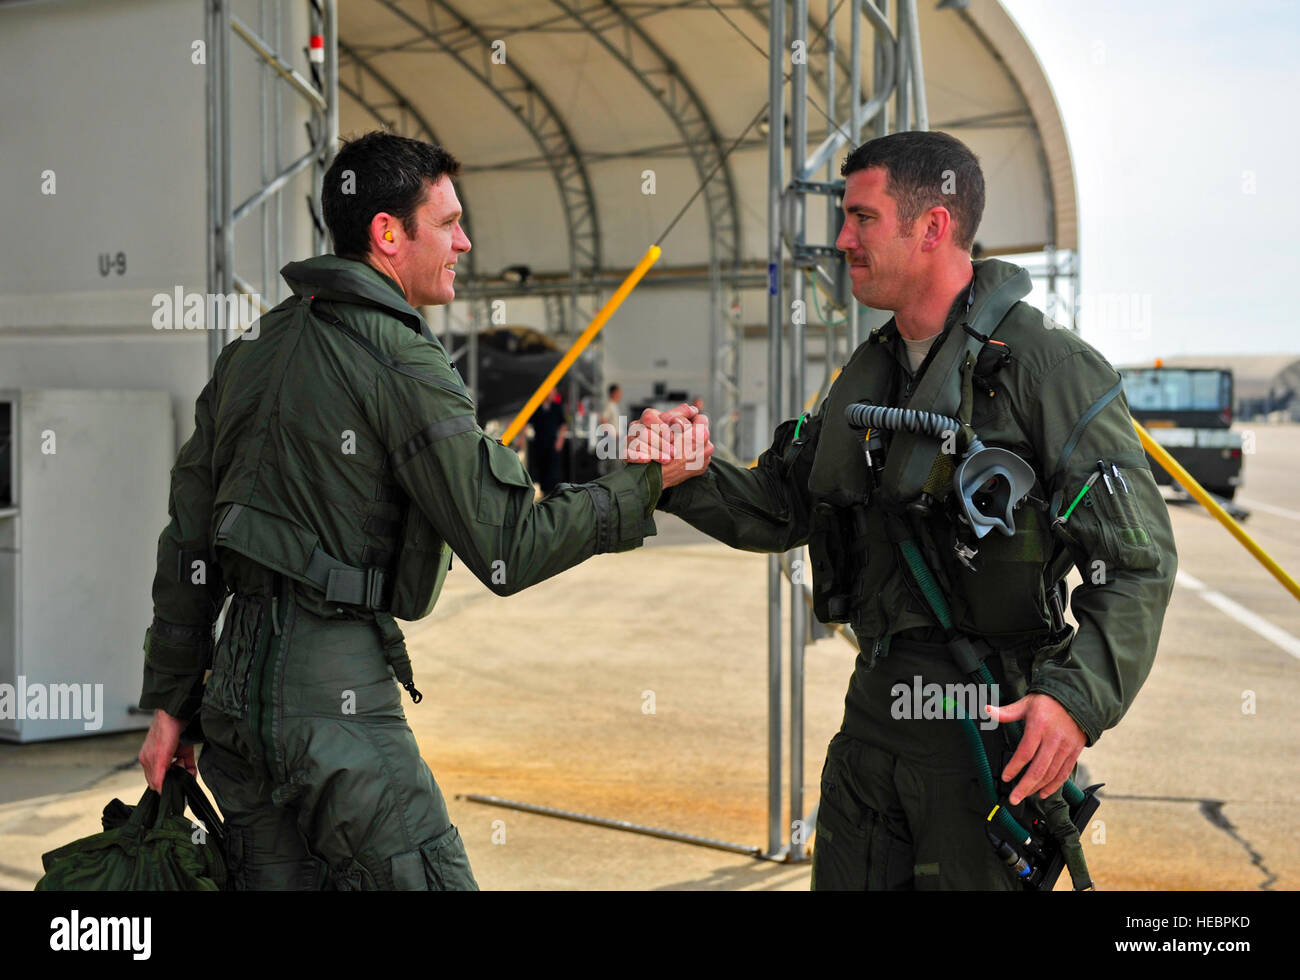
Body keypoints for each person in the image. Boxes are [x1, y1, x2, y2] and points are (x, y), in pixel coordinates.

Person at [135, 131, 712, 890]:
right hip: (332, 699)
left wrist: (172, 701)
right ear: (386, 233)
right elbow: (507, 546)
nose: (465, 242)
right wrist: (643, 485)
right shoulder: (400, 356)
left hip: (233, 705)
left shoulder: (253, 348)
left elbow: (189, 541)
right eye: (447, 224)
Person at [646, 131, 1177, 890]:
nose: (841, 240)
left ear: (931, 228)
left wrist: (1075, 703)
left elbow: (1137, 561)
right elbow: (781, 504)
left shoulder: (1047, 368)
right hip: (875, 714)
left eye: (862, 218)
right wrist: (684, 474)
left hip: (983, 726)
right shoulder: (871, 376)